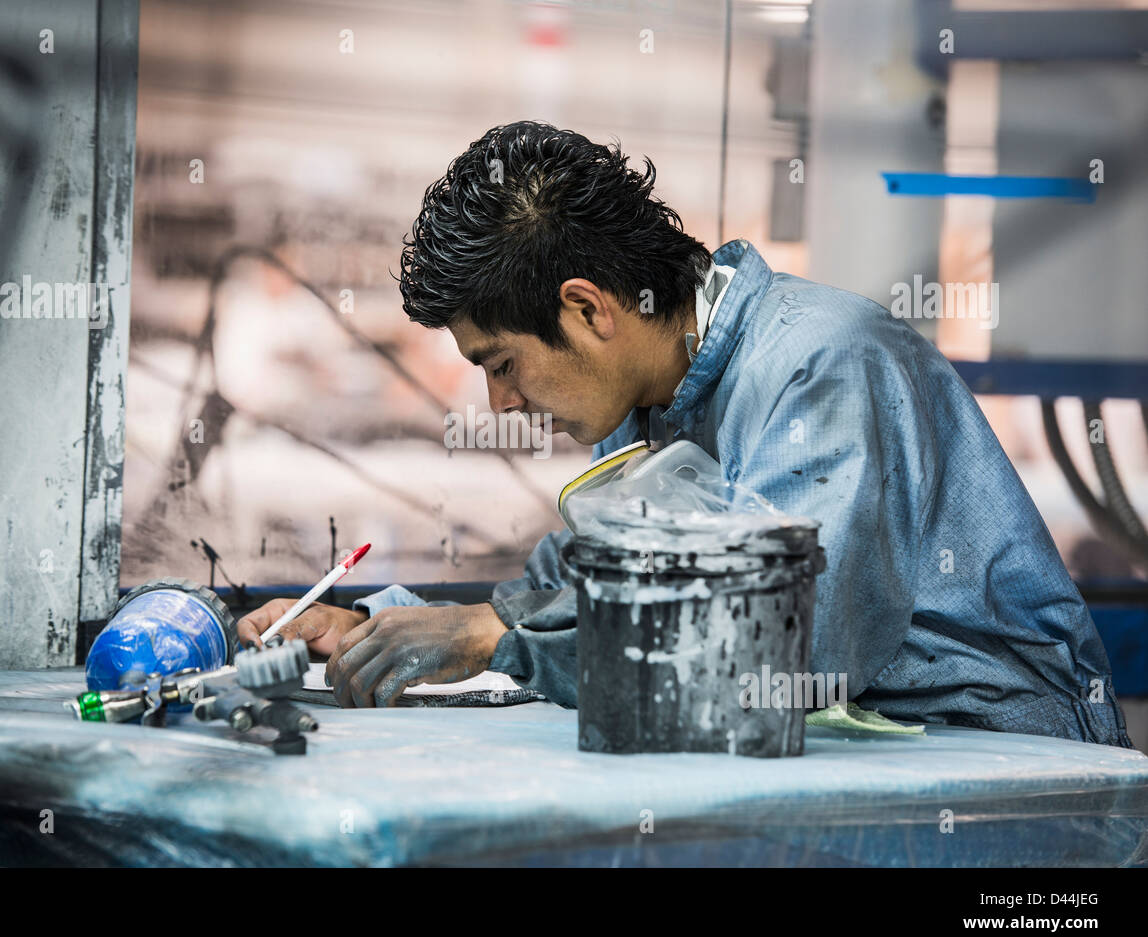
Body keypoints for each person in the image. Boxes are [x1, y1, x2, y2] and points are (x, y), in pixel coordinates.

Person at [238, 121, 1133, 748]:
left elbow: (784, 649)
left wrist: (494, 640)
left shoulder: (823, 365)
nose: (501, 403)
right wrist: (370, 626)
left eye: (502, 361)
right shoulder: (646, 406)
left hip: (1001, 767)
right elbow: (571, 586)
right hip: (877, 752)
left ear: (586, 308)